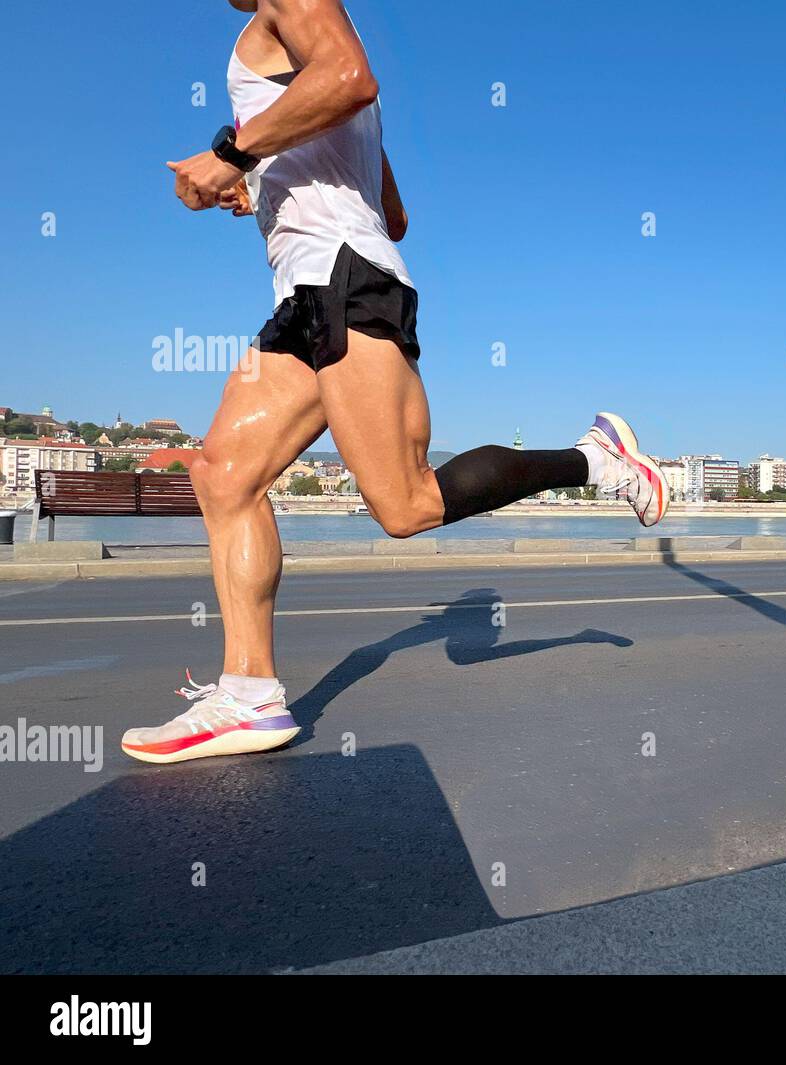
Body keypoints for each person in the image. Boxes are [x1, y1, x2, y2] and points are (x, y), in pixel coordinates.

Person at [121, 0, 666, 764]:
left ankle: (598, 459)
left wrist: (232, 155)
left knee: (404, 505)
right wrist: (263, 176)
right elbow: (394, 210)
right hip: (308, 294)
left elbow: (350, 79)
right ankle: (248, 695)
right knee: (223, 473)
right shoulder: (291, 48)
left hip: (344, 283)